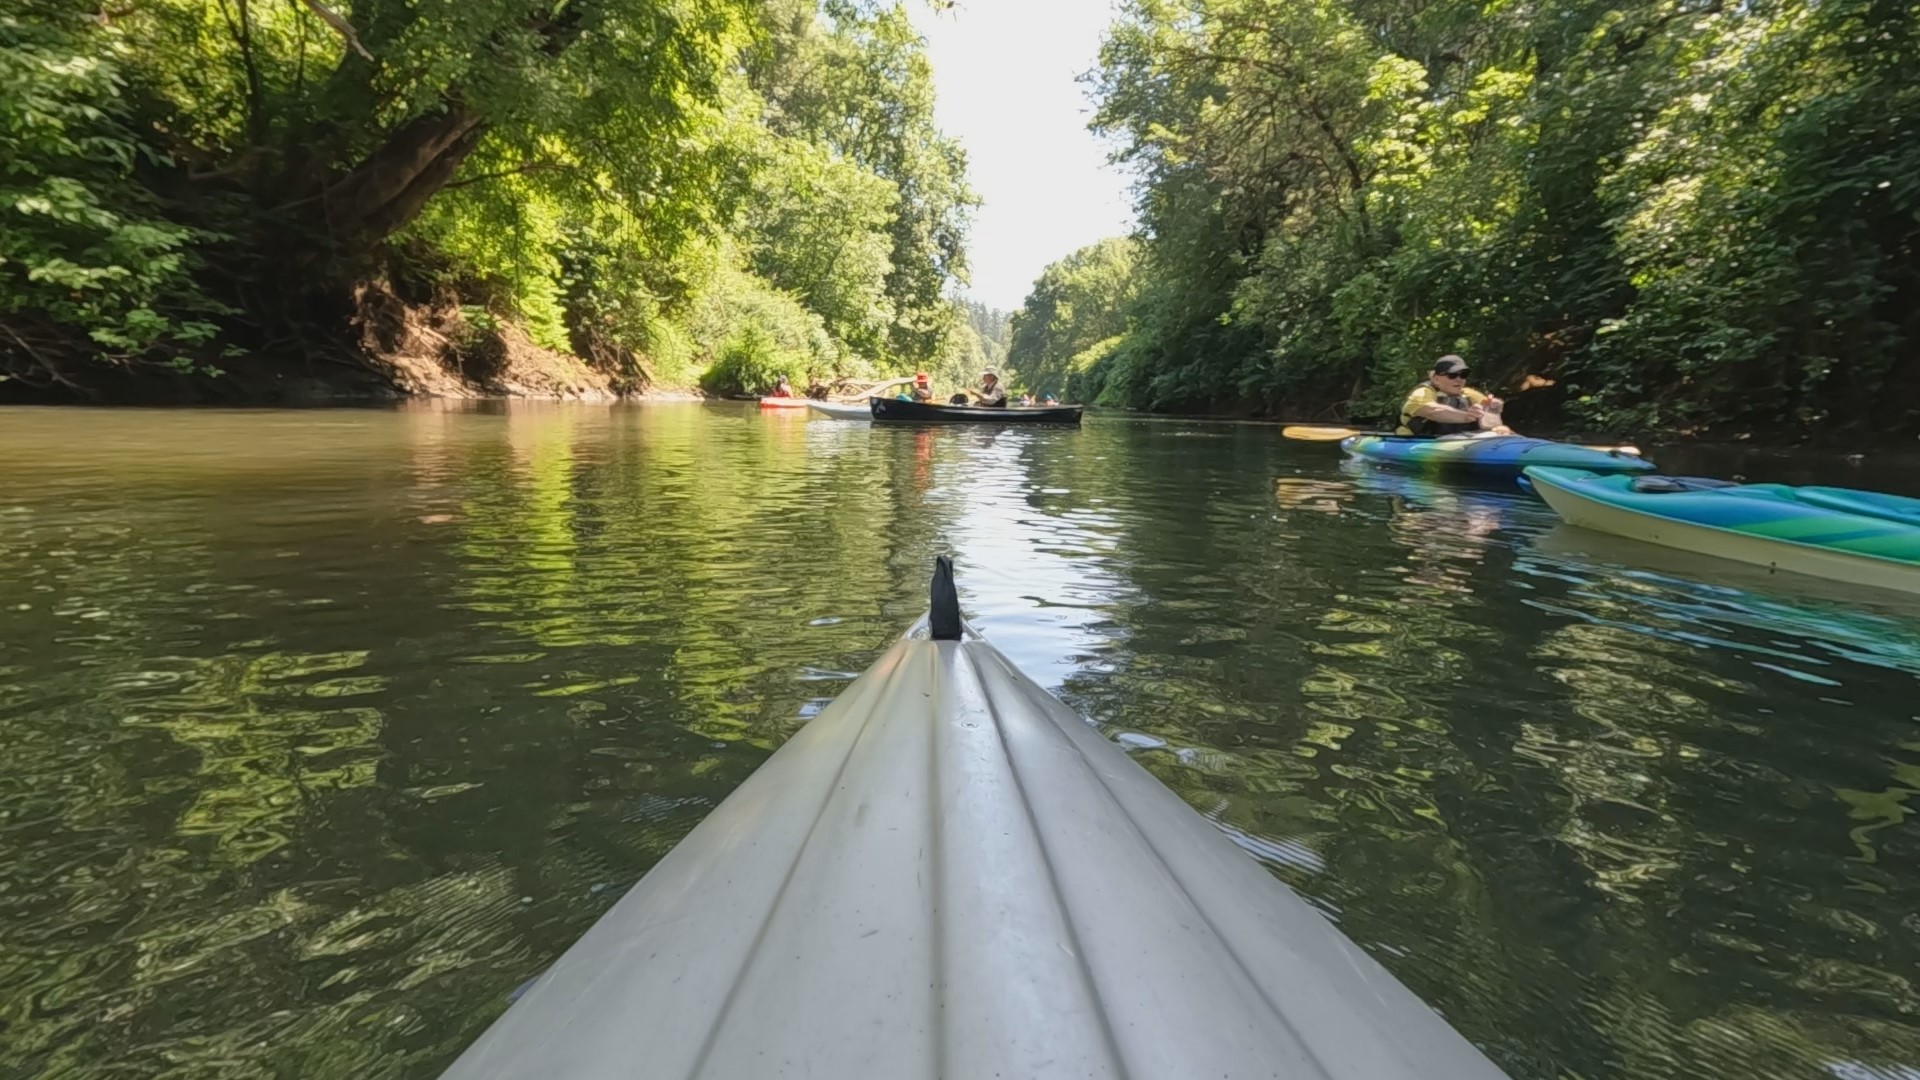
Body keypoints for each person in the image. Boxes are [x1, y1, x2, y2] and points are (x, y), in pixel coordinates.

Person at [1397, 355, 1511, 436]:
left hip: (1455, 442)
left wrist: (1494, 407)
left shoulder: (1468, 394)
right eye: (1452, 375)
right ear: (1436, 379)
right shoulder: (1422, 393)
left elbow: (1491, 413)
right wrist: (1466, 416)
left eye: (1463, 375)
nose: (1459, 379)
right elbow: (1432, 411)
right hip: (1415, 442)